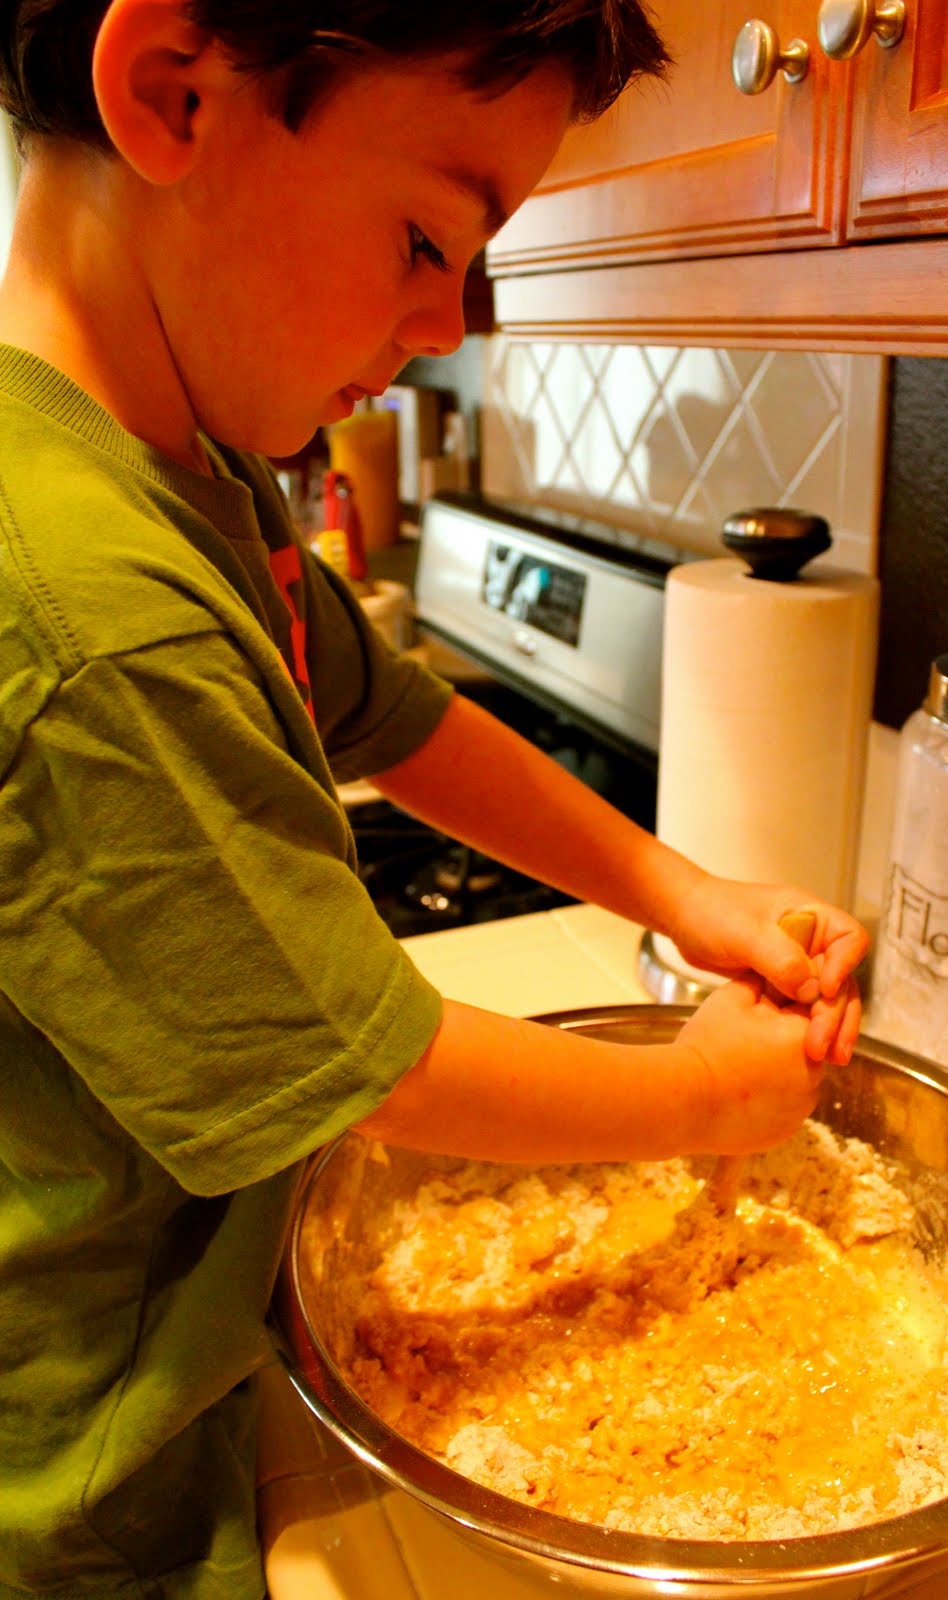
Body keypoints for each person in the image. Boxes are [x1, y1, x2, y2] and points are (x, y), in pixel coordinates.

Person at [0, 2, 868, 1594]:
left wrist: (692, 898)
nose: (451, 322)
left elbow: (394, 713)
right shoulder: (75, 607)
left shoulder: (187, 468)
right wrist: (709, 1099)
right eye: (426, 235)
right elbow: (367, 1069)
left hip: (170, 1381)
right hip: (72, 1486)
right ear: (173, 93)